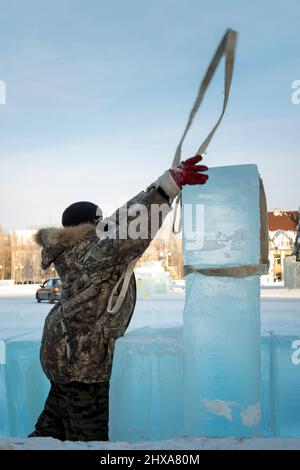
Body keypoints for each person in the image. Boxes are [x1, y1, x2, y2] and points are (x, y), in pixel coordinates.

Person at [29, 155, 208, 441]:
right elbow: (129, 231)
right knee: (88, 439)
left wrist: (161, 184)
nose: (106, 222)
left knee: (52, 430)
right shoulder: (92, 253)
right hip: (80, 363)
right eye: (99, 219)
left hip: (65, 353)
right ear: (87, 226)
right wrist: (168, 188)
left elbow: (121, 219)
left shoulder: (80, 248)